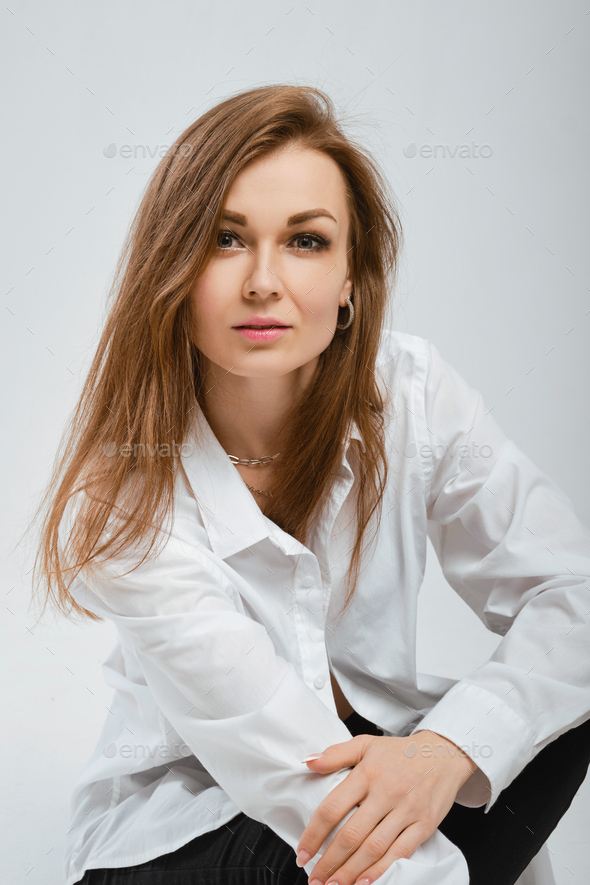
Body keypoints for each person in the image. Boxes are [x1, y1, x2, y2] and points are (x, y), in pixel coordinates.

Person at [28, 84, 590, 885]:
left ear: (351, 277)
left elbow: (573, 595)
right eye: (225, 239)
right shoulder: (125, 490)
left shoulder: (413, 390)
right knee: (305, 853)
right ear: (176, 270)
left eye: (306, 241)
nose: (263, 281)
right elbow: (293, 781)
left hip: (367, 764)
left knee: (559, 706)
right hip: (198, 828)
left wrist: (446, 750)